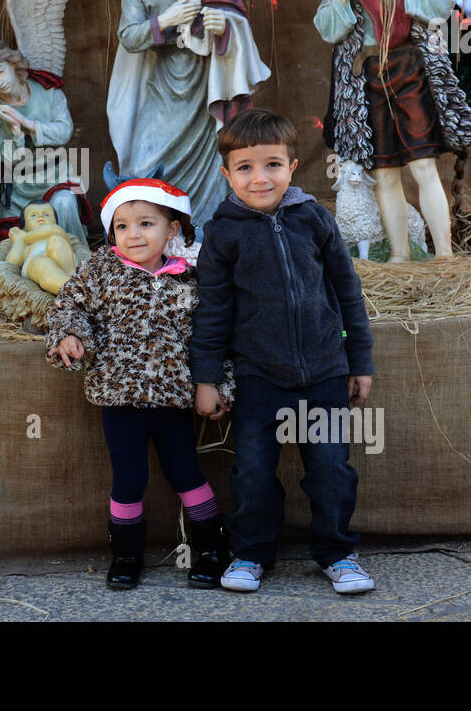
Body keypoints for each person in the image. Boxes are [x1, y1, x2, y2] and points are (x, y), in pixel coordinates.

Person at [189, 108, 376, 594]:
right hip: (258, 378)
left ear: (292, 166)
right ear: (227, 174)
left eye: (272, 164)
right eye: (245, 167)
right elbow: (212, 311)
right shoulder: (223, 233)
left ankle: (337, 554)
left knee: (331, 469)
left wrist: (360, 361)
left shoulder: (314, 218)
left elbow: (348, 291)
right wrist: (206, 378)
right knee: (252, 473)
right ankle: (251, 554)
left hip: (324, 373)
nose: (260, 177)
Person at [45, 178, 234, 590]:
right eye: (122, 226)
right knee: (129, 478)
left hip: (173, 399)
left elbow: (215, 336)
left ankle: (213, 548)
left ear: (173, 230)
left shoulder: (191, 280)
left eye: (146, 224)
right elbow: (68, 306)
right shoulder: (101, 270)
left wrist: (220, 384)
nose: (133, 235)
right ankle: (127, 554)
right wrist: (70, 335)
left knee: (186, 473)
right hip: (120, 396)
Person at [313, 0, 471, 260]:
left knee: (422, 164)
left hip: (409, 67)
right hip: (366, 72)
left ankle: (444, 257)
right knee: (384, 172)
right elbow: (327, 28)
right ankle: (400, 256)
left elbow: (439, 7)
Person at [107, 0, 271, 236]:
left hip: (206, 89)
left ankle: (202, 241)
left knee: (213, 164)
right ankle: (153, 240)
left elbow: (235, 19)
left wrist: (223, 25)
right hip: (162, 86)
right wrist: (166, 20)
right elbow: (128, 37)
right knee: (142, 167)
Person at [0, 39, 90, 245]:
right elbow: (8, 160)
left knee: (64, 203)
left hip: (57, 176)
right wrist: (16, 133)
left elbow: (64, 132)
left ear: (13, 64)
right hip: (19, 188)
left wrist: (27, 123)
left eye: (0, 71)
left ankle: (79, 264)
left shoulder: (49, 92)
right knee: (25, 243)